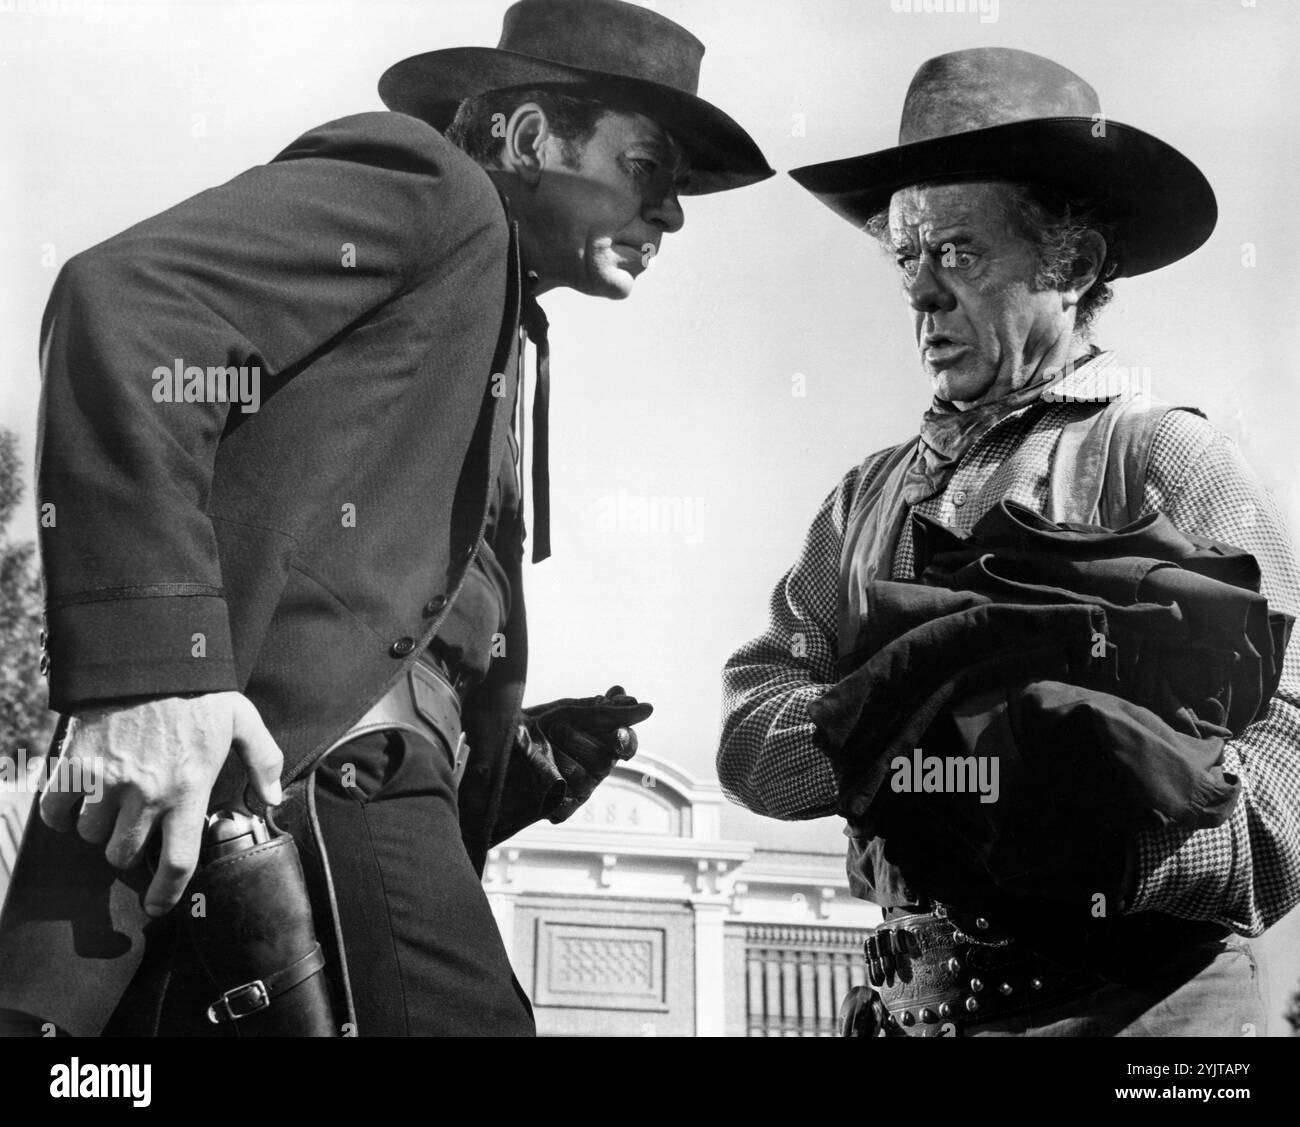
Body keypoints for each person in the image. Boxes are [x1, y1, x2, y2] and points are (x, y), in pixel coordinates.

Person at [0, 0, 772, 1037]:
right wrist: (157, 675)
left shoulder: (491, 310)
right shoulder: (440, 189)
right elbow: (127, 301)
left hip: (300, 814)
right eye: (648, 169)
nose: (671, 214)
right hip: (299, 797)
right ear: (530, 138)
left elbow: (368, 613)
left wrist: (508, 756)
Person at [718, 47, 1300, 1036]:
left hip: (1143, 1015)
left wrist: (1105, 837)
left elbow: (1288, 751)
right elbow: (750, 733)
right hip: (913, 1014)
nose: (921, 292)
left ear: (1071, 265)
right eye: (907, 255)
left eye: (959, 252)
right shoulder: (862, 500)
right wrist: (899, 728)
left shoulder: (1165, 456)